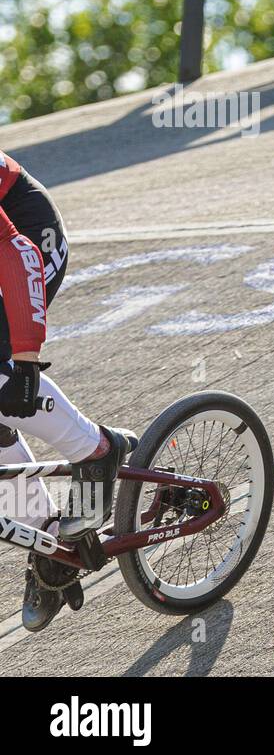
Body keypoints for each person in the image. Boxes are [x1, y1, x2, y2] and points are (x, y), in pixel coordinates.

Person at [0, 152, 137, 631]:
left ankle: (96, 448)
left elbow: (15, 254)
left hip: (21, 231)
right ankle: (48, 539)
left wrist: (24, 360)